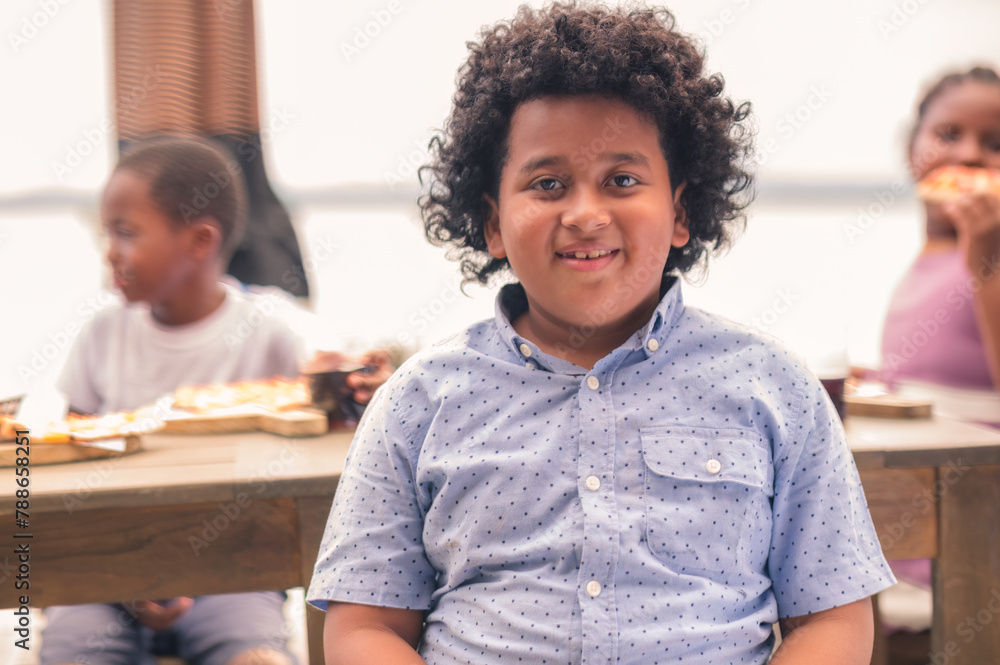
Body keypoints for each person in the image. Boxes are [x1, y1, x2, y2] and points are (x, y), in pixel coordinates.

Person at [306, 5, 895, 664]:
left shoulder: (776, 388)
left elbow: (834, 619)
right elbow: (366, 628)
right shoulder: (416, 402)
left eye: (621, 180)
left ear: (679, 212)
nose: (585, 214)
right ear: (493, 222)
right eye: (548, 183)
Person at [41, 137, 390, 665]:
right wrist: (127, 582)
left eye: (126, 232)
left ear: (200, 241)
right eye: (107, 232)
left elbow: (341, 364)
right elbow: (68, 453)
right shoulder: (102, 335)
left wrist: (367, 379)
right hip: (108, 572)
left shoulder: (268, 325)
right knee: (74, 648)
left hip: (236, 572)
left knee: (254, 652)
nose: (109, 250)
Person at [879, 66, 1000, 426]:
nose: (970, 155)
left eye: (996, 144)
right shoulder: (923, 260)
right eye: (948, 135)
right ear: (910, 150)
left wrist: (987, 262)